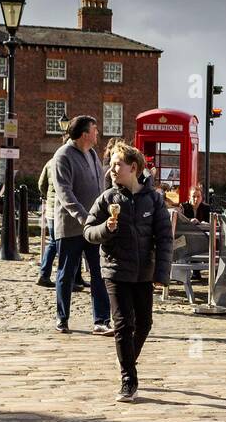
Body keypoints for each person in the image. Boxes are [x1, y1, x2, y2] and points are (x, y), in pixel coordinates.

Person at [84, 141, 172, 401]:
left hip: (143, 272)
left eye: (117, 165)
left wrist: (161, 274)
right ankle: (128, 380)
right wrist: (106, 229)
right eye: (110, 165)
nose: (112, 169)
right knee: (123, 324)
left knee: (145, 323)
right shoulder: (107, 199)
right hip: (115, 269)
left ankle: (127, 360)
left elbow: (164, 238)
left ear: (133, 168)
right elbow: (89, 232)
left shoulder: (154, 200)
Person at [52, 115, 111, 335]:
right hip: (71, 228)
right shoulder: (63, 156)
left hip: (94, 228)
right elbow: (65, 193)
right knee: (67, 273)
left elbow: (100, 187)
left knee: (99, 272)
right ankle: (62, 317)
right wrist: (84, 217)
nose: (98, 133)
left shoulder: (93, 154)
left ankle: (101, 320)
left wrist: (102, 215)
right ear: (85, 134)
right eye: (95, 130)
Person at [36, 156, 58, 287]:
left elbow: (41, 184)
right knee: (58, 243)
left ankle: (44, 274)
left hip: (50, 209)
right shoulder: (66, 161)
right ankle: (45, 274)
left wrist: (49, 197)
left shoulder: (50, 162)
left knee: (53, 242)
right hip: (60, 210)